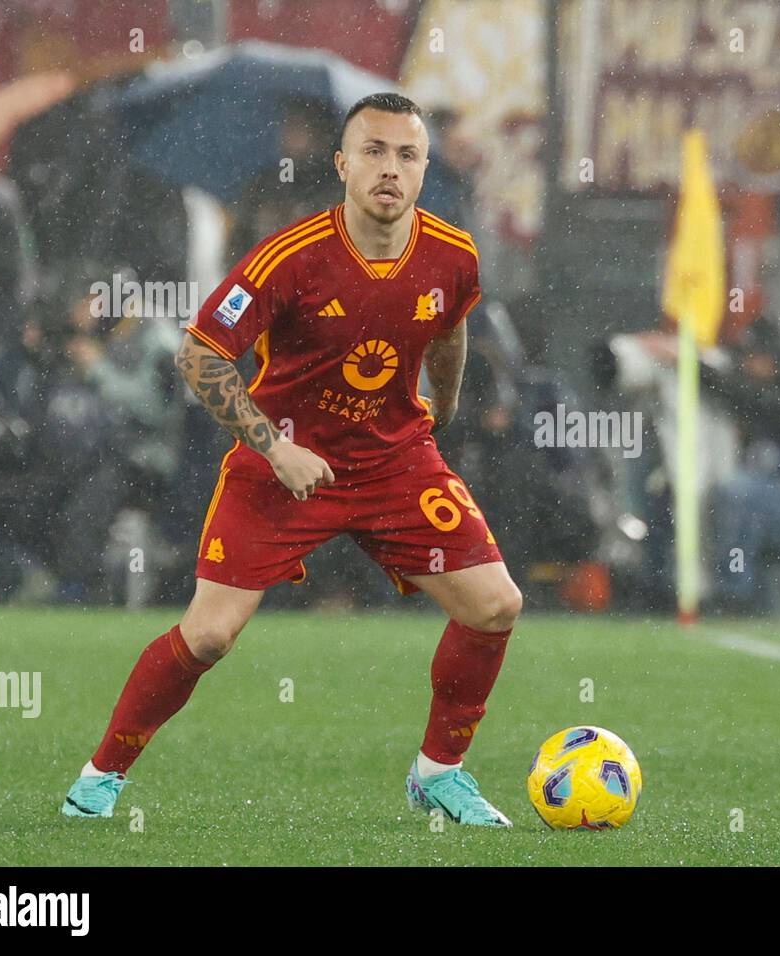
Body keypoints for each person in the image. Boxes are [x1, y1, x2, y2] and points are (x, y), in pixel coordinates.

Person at [60, 92, 522, 826]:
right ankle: (100, 777)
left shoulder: (453, 254)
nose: (389, 169)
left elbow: (449, 325)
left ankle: (439, 772)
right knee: (209, 635)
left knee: (496, 605)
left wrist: (447, 401)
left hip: (396, 461)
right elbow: (199, 352)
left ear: (425, 168)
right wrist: (274, 447)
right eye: (373, 151)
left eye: (407, 154)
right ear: (342, 164)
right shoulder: (291, 255)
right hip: (283, 466)